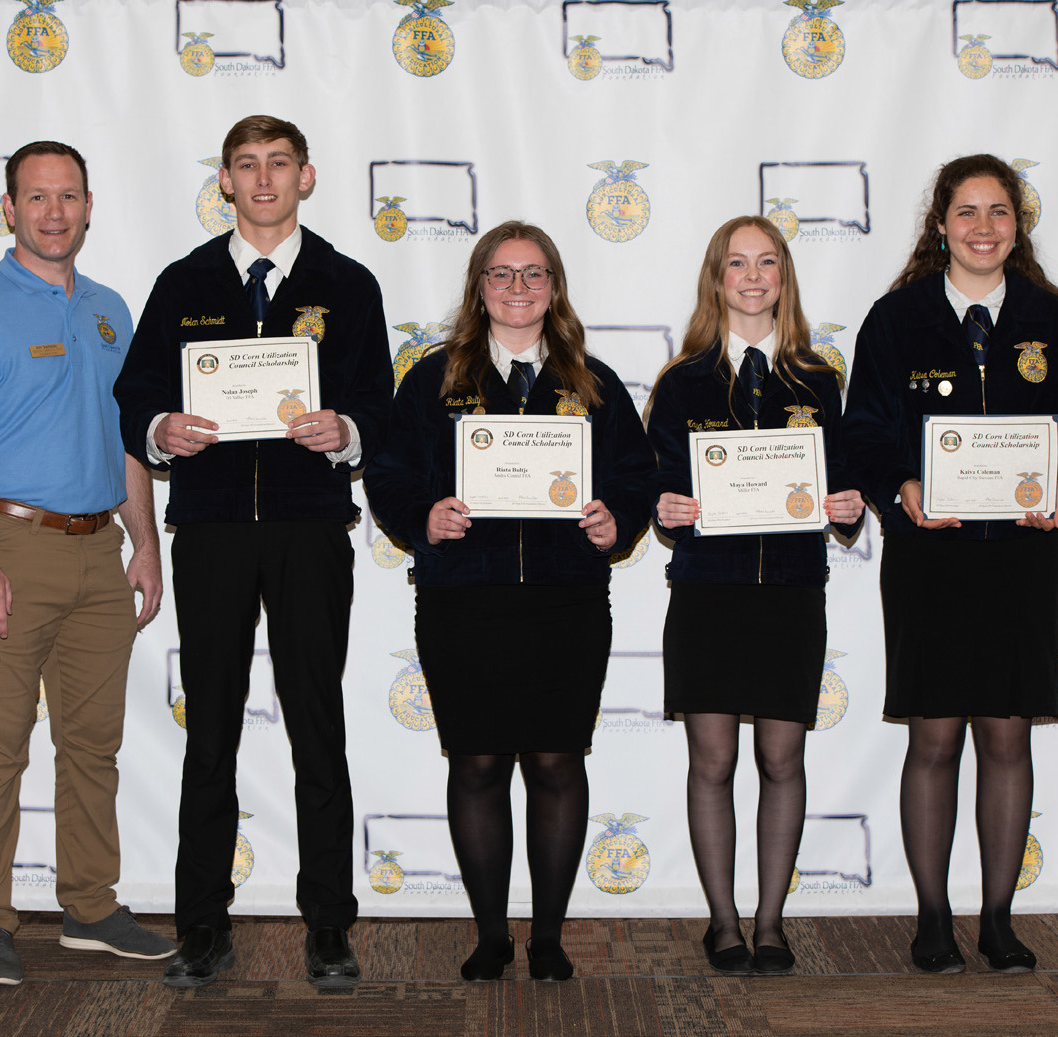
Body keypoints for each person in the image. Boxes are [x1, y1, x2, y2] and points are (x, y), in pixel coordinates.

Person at [113, 115, 392, 989]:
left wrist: (344, 428)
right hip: (212, 529)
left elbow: (377, 403)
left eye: (279, 164)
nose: (263, 179)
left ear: (306, 177)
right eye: (246, 165)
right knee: (213, 730)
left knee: (318, 724)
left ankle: (330, 925)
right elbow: (137, 396)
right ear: (225, 181)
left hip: (312, 528)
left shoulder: (348, 283)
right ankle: (201, 921)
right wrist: (162, 428)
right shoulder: (183, 281)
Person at [365, 221, 653, 982]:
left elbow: (634, 473)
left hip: (567, 602)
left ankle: (550, 935)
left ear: (554, 288)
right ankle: (492, 932)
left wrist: (614, 518)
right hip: (466, 600)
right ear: (479, 288)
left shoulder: (592, 381)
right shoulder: (432, 379)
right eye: (501, 275)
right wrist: (422, 514)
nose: (517, 289)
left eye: (533, 275)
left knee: (558, 761)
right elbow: (389, 472)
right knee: (480, 761)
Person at [842, 154, 1058, 974]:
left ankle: (998, 918)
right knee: (934, 737)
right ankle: (930, 917)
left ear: (1016, 227)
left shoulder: (1053, 319)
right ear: (940, 224)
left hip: (1022, 558)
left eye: (998, 212)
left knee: (1006, 734)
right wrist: (900, 487)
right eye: (967, 212)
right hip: (929, 558)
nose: (983, 228)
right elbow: (865, 431)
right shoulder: (896, 318)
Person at [0, 141, 174, 986]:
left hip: (99, 551)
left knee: (93, 744)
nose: (54, 212)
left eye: (68, 196)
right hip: (11, 550)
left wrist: (146, 541)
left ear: (91, 205)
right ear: (8, 209)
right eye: (37, 197)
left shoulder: (111, 311)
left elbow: (129, 438)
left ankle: (90, 905)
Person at [645, 216, 864, 976]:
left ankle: (771, 921)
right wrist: (665, 509)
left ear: (784, 277)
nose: (752, 275)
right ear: (716, 277)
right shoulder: (682, 382)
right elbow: (660, 485)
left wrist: (848, 508)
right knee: (711, 760)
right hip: (708, 593)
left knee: (781, 756)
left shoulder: (819, 379)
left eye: (767, 262)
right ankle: (724, 921)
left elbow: (843, 486)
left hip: (790, 594)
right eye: (736, 262)